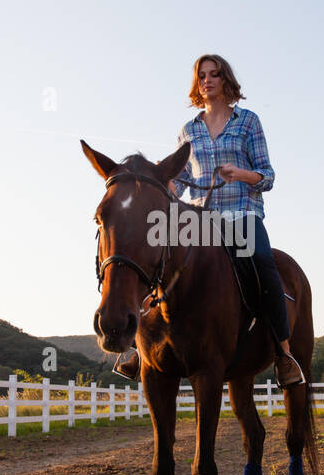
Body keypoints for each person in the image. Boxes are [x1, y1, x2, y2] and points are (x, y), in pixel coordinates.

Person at [113, 54, 305, 387]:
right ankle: (136, 349)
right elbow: (183, 176)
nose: (207, 81)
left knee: (261, 261)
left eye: (214, 75)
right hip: (199, 218)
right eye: (201, 76)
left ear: (226, 80)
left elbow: (268, 176)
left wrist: (241, 174)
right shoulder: (189, 130)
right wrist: (167, 182)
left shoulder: (248, 122)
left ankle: (283, 352)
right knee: (152, 253)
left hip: (242, 214)